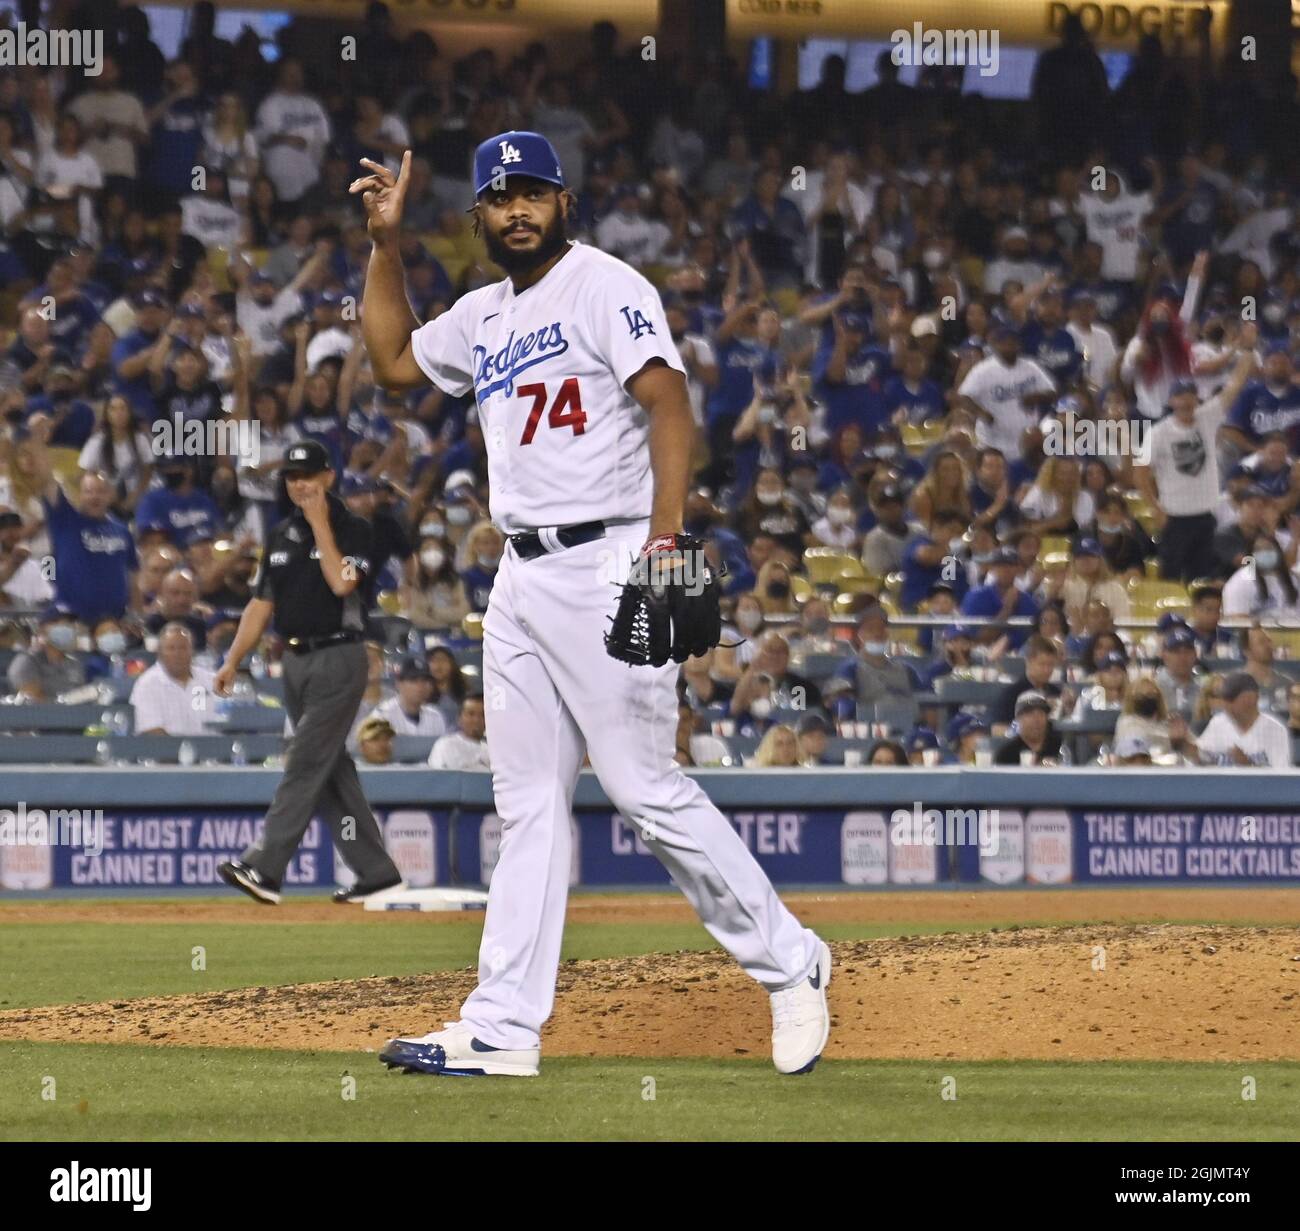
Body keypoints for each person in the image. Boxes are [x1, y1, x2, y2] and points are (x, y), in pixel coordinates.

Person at [355, 134, 829, 1078]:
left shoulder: (608, 285)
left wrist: (664, 535)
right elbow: (396, 364)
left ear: (564, 202)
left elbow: (669, 403)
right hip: (522, 576)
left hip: (610, 552)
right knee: (527, 804)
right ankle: (501, 1029)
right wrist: (385, 245)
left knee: (645, 789)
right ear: (479, 216)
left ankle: (790, 963)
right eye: (500, 197)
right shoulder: (483, 313)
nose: (517, 209)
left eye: (533, 192)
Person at [214, 438, 403, 906]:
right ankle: (376, 871)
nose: (299, 484)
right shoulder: (279, 536)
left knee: (303, 760)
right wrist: (233, 659)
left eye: (308, 476)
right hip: (294, 661)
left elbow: (343, 582)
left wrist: (321, 522)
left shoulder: (355, 528)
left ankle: (266, 867)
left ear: (328, 477)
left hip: (340, 657)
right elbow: (261, 604)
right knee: (329, 766)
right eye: (292, 477)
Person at [1136, 347, 1256, 583]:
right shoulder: (1158, 433)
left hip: (1205, 517)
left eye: (1190, 394)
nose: (1186, 400)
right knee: (1170, 580)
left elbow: (1235, 385)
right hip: (1175, 519)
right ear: (1171, 400)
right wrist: (1155, 508)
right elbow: (1140, 473)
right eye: (1180, 395)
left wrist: (1249, 350)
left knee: (1203, 580)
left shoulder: (1207, 418)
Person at [129, 622, 215, 736]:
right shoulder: (147, 684)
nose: (178, 653)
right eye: (171, 648)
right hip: (164, 752)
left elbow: (228, 721)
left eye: (183, 648)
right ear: (159, 652)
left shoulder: (210, 680)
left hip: (212, 751)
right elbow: (151, 732)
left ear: (192, 651)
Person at [1196, 672, 1292, 767]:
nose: (1227, 705)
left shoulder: (1275, 730)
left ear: (1253, 698)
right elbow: (1199, 758)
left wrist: (1247, 765)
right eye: (1225, 699)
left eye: (1232, 699)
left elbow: (1280, 777)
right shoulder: (1218, 723)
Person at [995, 690, 1064, 764]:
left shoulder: (1060, 747)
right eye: (1030, 714)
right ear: (1018, 719)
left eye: (1041, 714)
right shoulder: (1007, 754)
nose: (1037, 720)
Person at [428, 694, 491, 770]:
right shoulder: (445, 745)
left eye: (483, 715)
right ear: (459, 718)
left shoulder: (494, 749)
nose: (476, 720)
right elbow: (437, 777)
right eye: (471, 714)